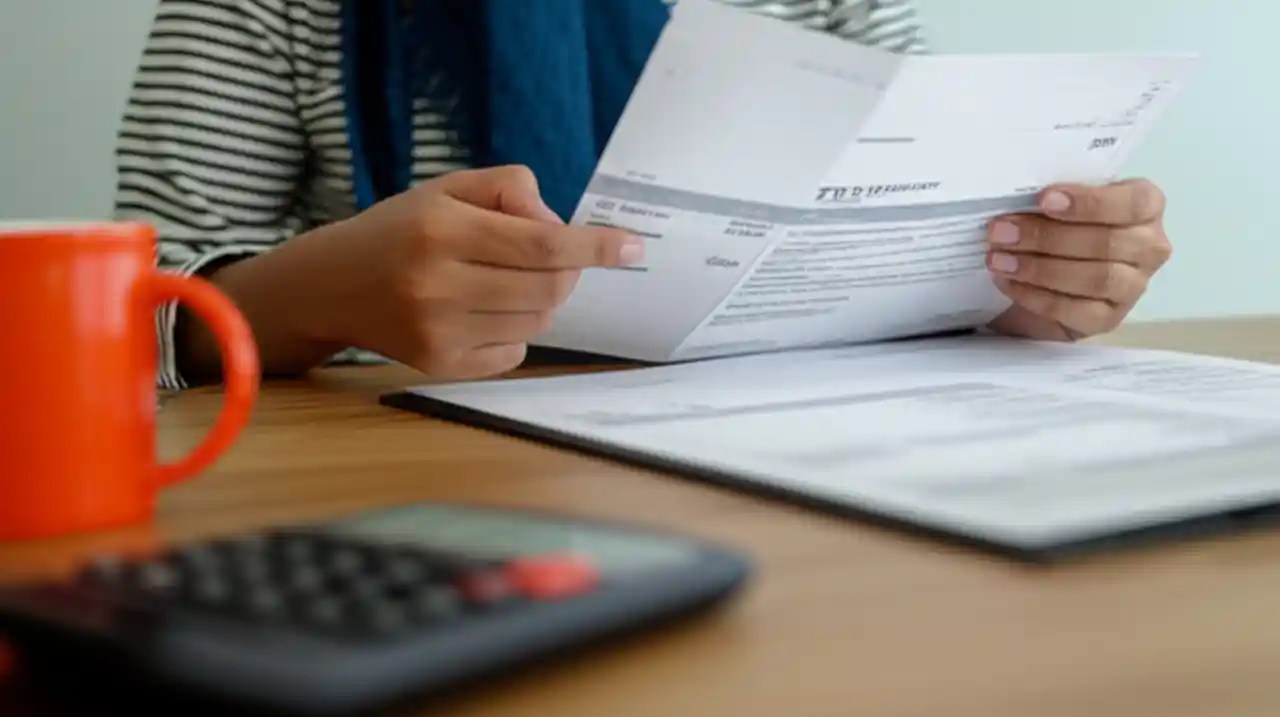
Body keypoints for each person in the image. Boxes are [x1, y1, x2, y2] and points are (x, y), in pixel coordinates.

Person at [114, 0, 1172, 390]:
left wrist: (1013, 283)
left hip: (791, 475)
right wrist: (314, 297)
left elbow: (907, 226)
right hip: (398, 496)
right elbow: (127, 323)